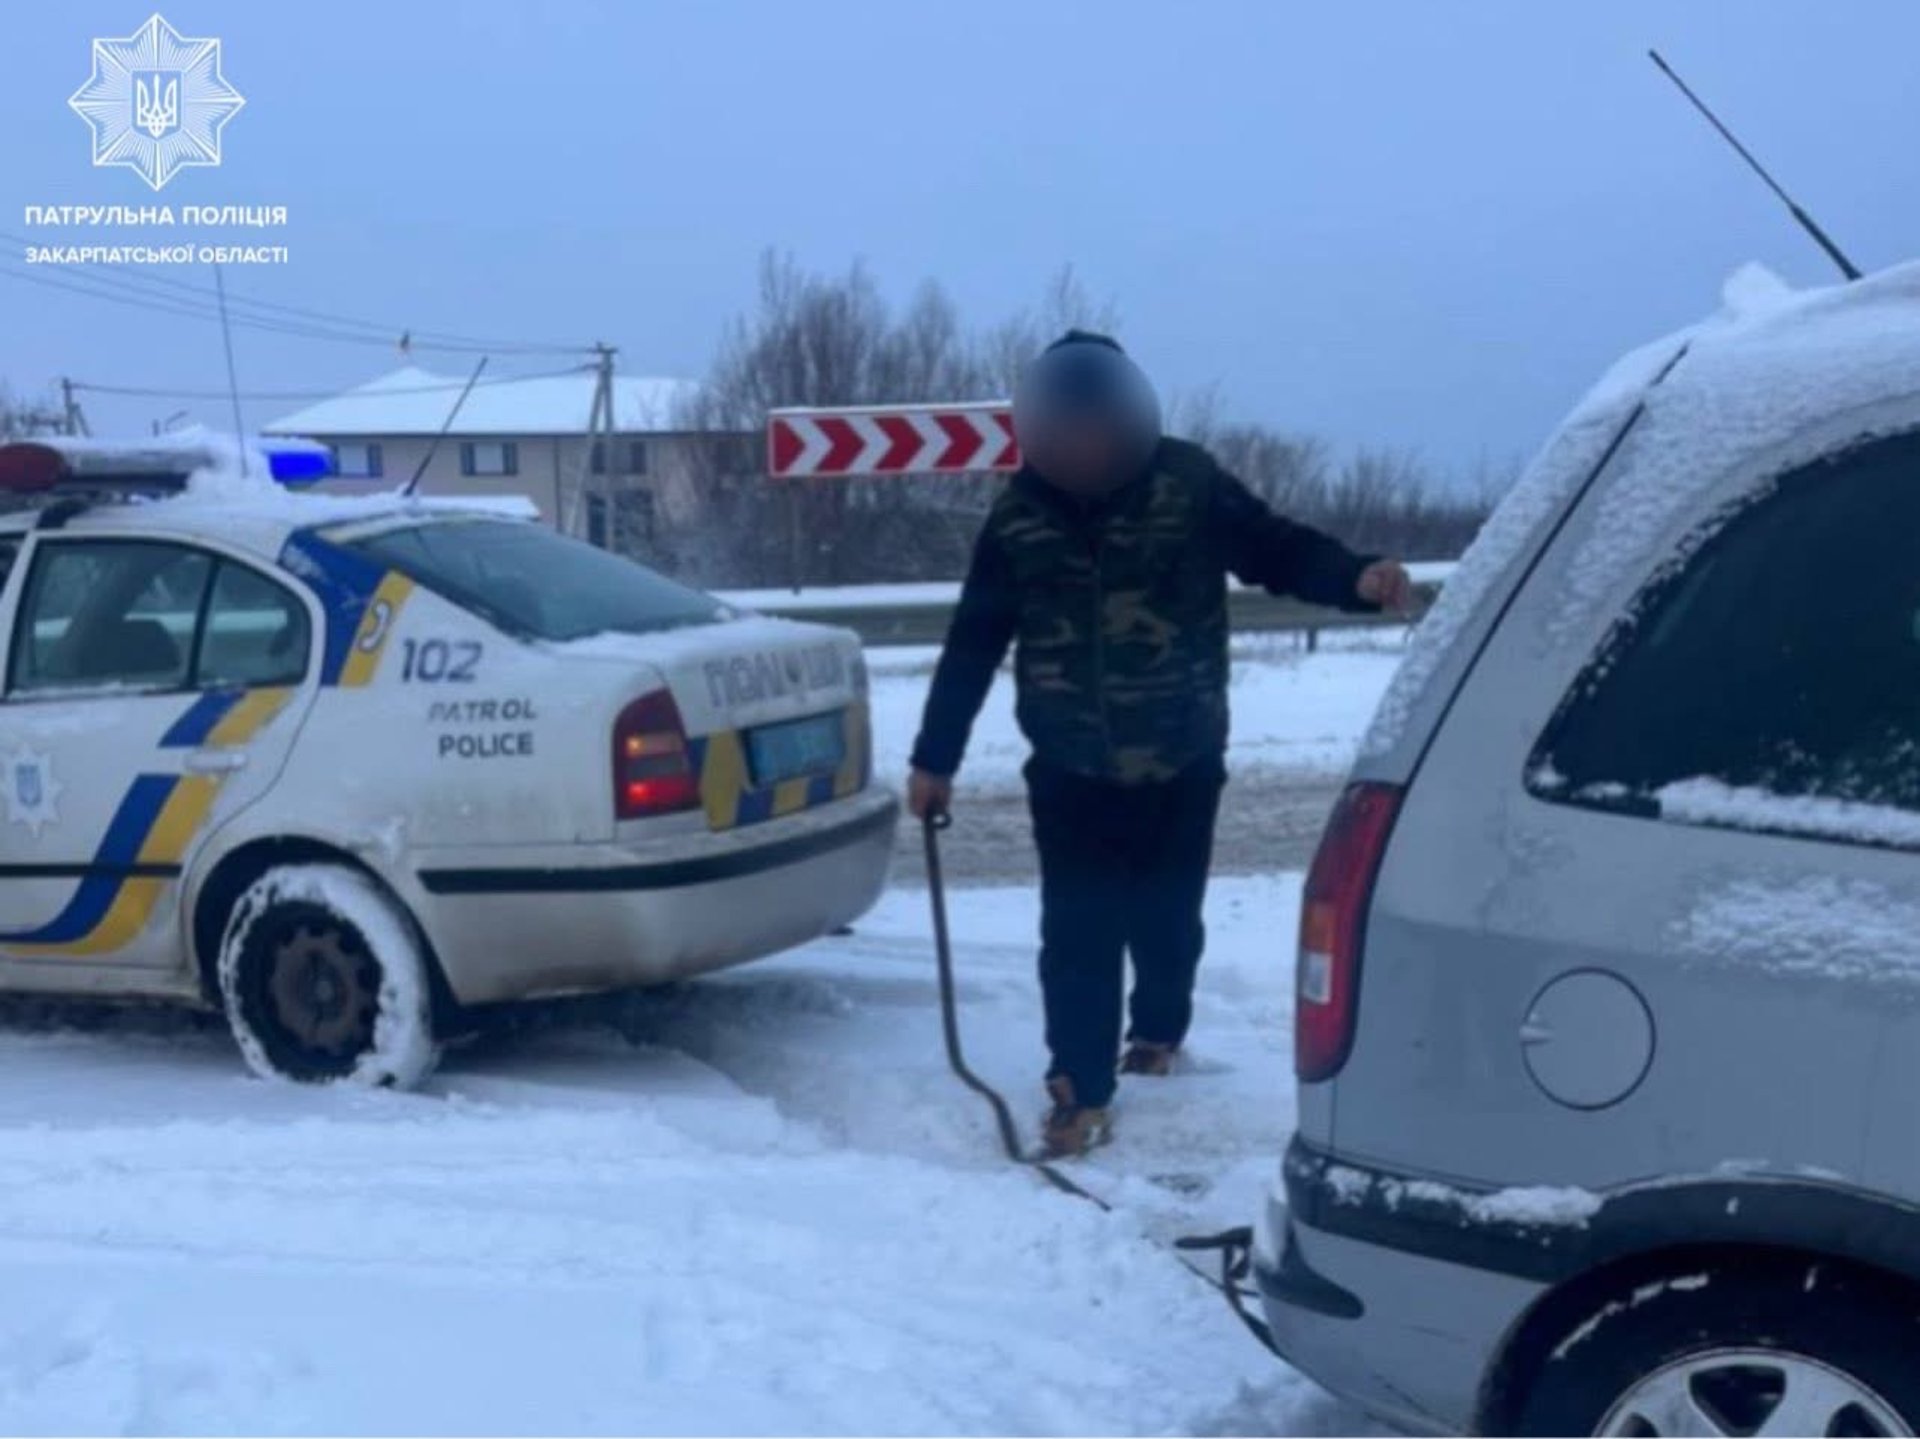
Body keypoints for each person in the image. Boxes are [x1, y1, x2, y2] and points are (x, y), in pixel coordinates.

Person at [907, 331, 1412, 1159]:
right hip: (1069, 764)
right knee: (1077, 928)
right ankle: (1078, 1088)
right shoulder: (1019, 517)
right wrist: (935, 759)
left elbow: (1276, 550)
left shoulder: (1188, 483)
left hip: (1182, 753)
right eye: (1067, 430)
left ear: (1128, 417)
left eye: (1097, 426)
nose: (1085, 446)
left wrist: (1355, 579)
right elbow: (974, 640)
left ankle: (1159, 1030)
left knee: (1167, 916)